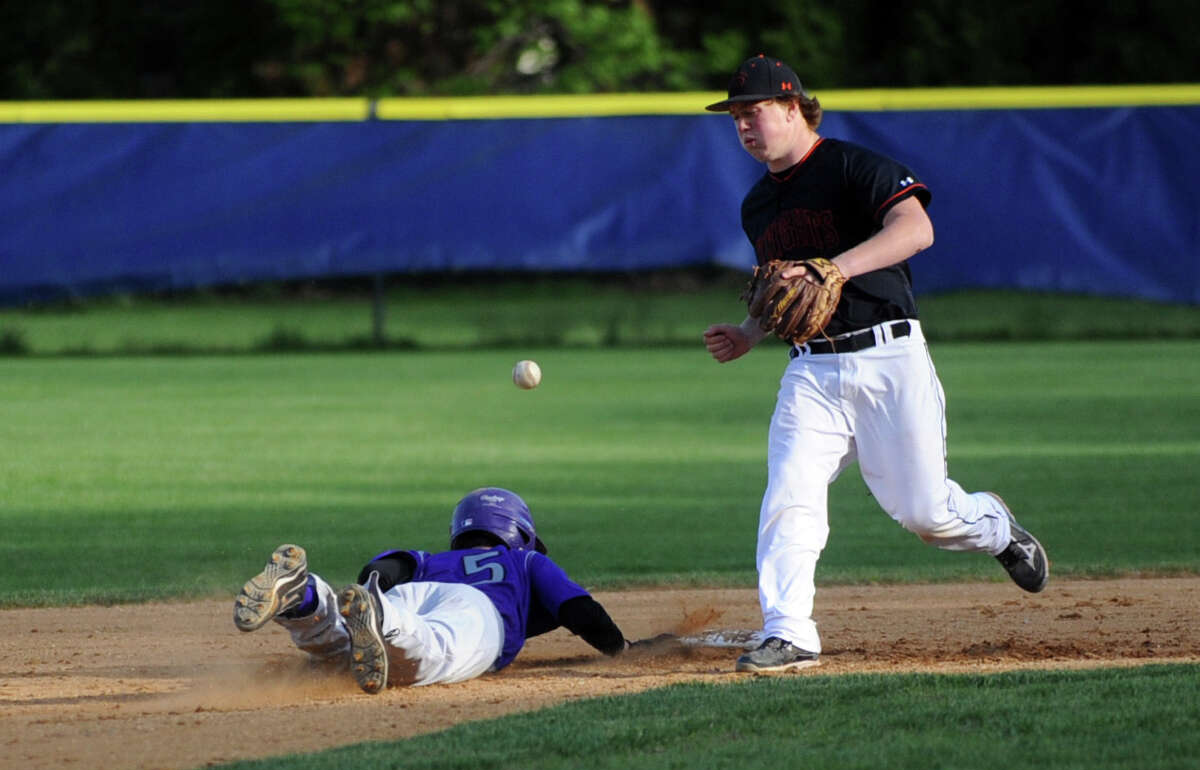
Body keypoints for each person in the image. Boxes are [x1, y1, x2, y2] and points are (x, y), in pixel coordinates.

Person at [702, 55, 1049, 674]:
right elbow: (788, 294)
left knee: (924, 513)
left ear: (792, 107)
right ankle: (790, 632)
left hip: (890, 357)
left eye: (753, 112)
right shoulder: (758, 206)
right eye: (736, 120)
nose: (745, 128)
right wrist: (751, 332)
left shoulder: (852, 166)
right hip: (812, 372)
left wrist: (837, 266)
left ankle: (994, 525)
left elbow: (916, 230)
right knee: (790, 494)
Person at [233, 487, 626, 692]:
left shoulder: (430, 559)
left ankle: (305, 599)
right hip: (477, 613)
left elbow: (386, 566)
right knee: (432, 651)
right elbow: (577, 609)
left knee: (338, 648)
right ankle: (382, 619)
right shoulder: (522, 562)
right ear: (518, 532)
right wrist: (620, 649)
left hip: (413, 594)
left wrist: (375, 586)